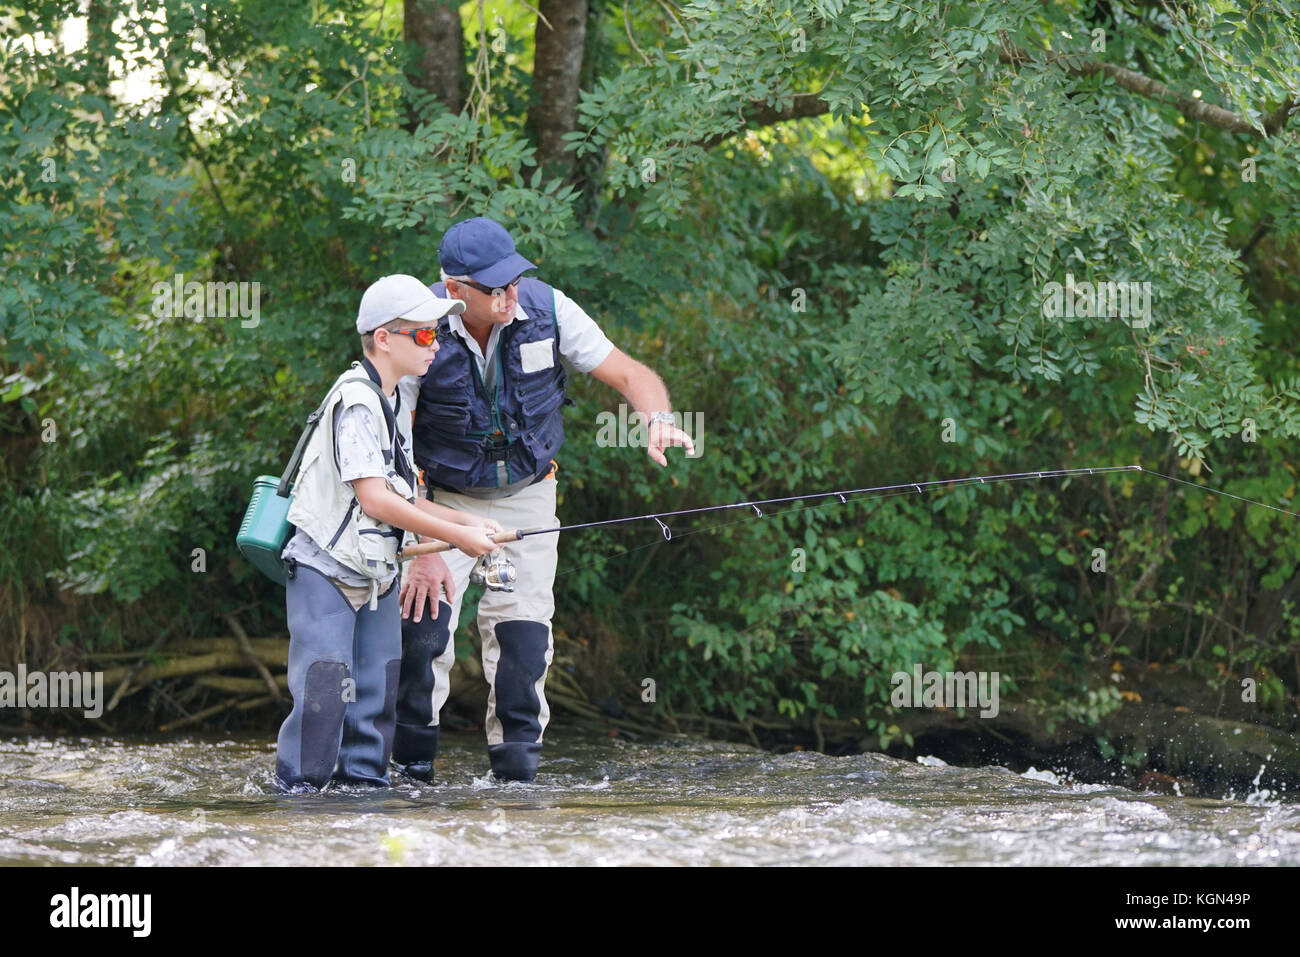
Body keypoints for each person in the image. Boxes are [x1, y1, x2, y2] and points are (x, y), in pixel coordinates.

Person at [393, 217, 695, 783]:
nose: (510, 295)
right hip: (437, 501)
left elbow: (630, 373)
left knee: (522, 648)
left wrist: (657, 420)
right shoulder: (418, 325)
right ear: (455, 291)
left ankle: (516, 793)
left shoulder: (548, 308)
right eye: (494, 288)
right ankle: (409, 784)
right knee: (422, 639)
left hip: (528, 499)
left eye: (513, 280)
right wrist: (420, 542)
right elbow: (396, 443)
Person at [273, 274, 505, 792]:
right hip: (325, 571)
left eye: (438, 334)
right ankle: (298, 806)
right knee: (324, 697)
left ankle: (365, 800)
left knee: (377, 696)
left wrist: (470, 522)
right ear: (384, 338)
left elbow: (405, 497)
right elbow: (375, 499)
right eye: (424, 335)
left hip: (376, 574)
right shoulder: (356, 400)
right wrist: (459, 540)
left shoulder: (393, 401)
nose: (437, 344)